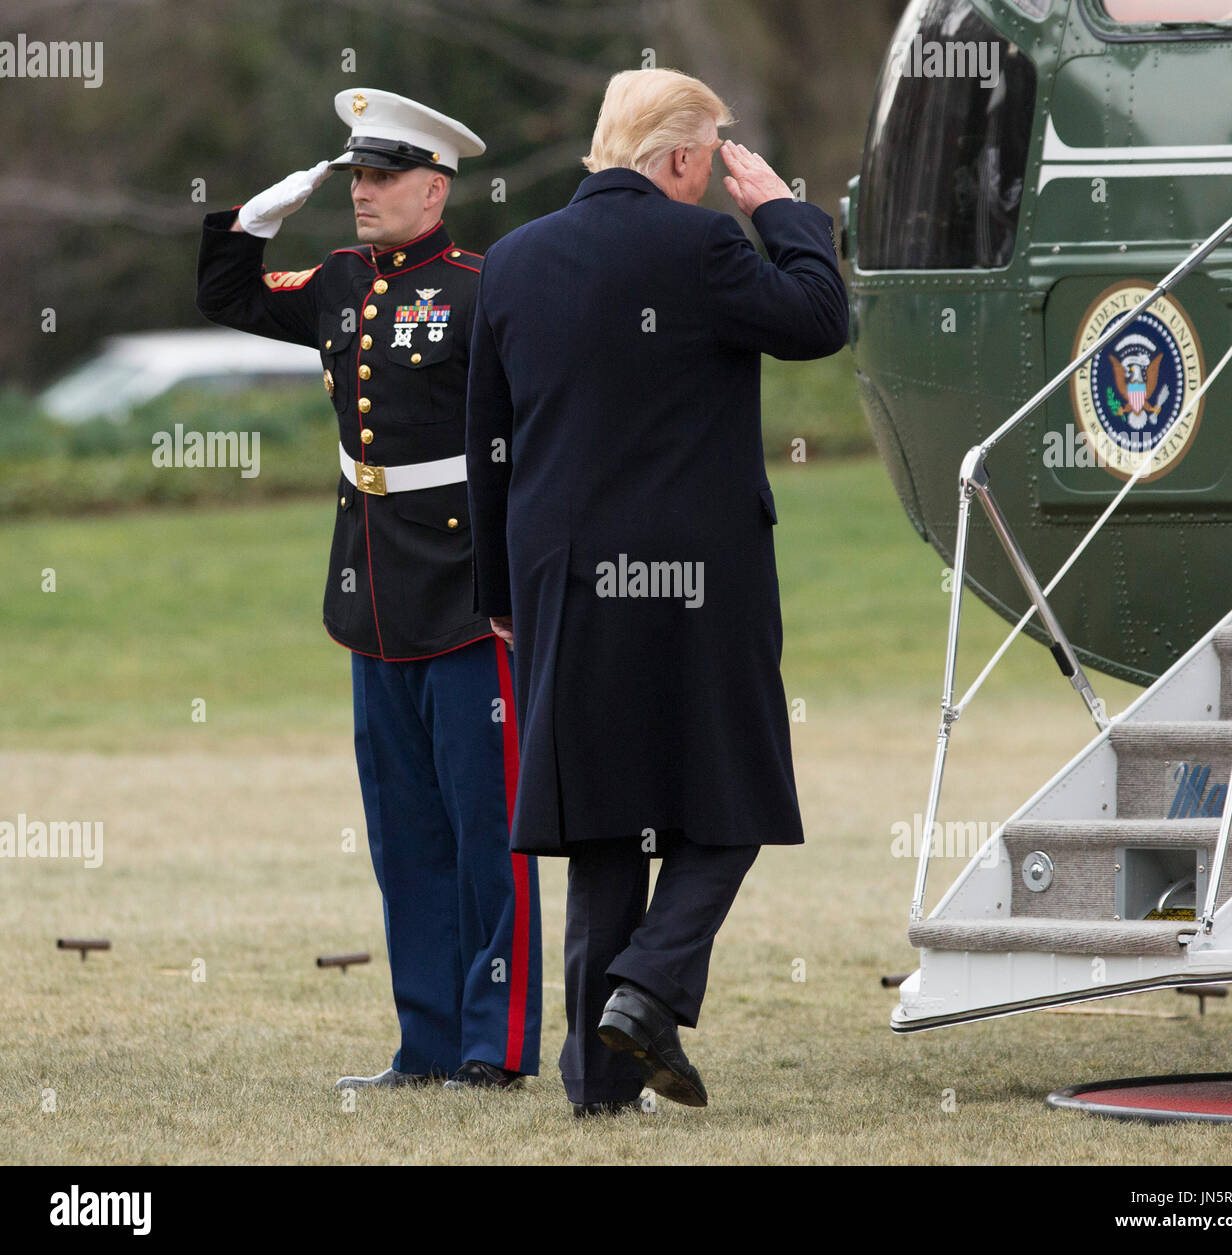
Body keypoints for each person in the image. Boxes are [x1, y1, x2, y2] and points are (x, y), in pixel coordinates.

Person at [466, 67, 848, 1117]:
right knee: (730, 796)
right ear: (682, 159)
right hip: (694, 576)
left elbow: (484, 440)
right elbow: (819, 318)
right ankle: (648, 987)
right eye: (710, 157)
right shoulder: (704, 245)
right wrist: (780, 210)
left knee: (601, 819)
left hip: (559, 575)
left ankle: (597, 1084)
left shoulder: (512, 259)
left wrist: (498, 589)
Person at [196, 88, 541, 1093]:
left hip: (471, 595)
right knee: (405, 840)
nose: (364, 192)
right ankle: (425, 1044)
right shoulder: (343, 280)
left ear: (435, 186)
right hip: (373, 591)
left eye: (384, 176)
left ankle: (495, 1042)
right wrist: (249, 222)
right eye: (356, 175)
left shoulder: (483, 288)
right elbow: (230, 297)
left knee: (488, 833)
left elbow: (529, 440)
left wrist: (514, 581)